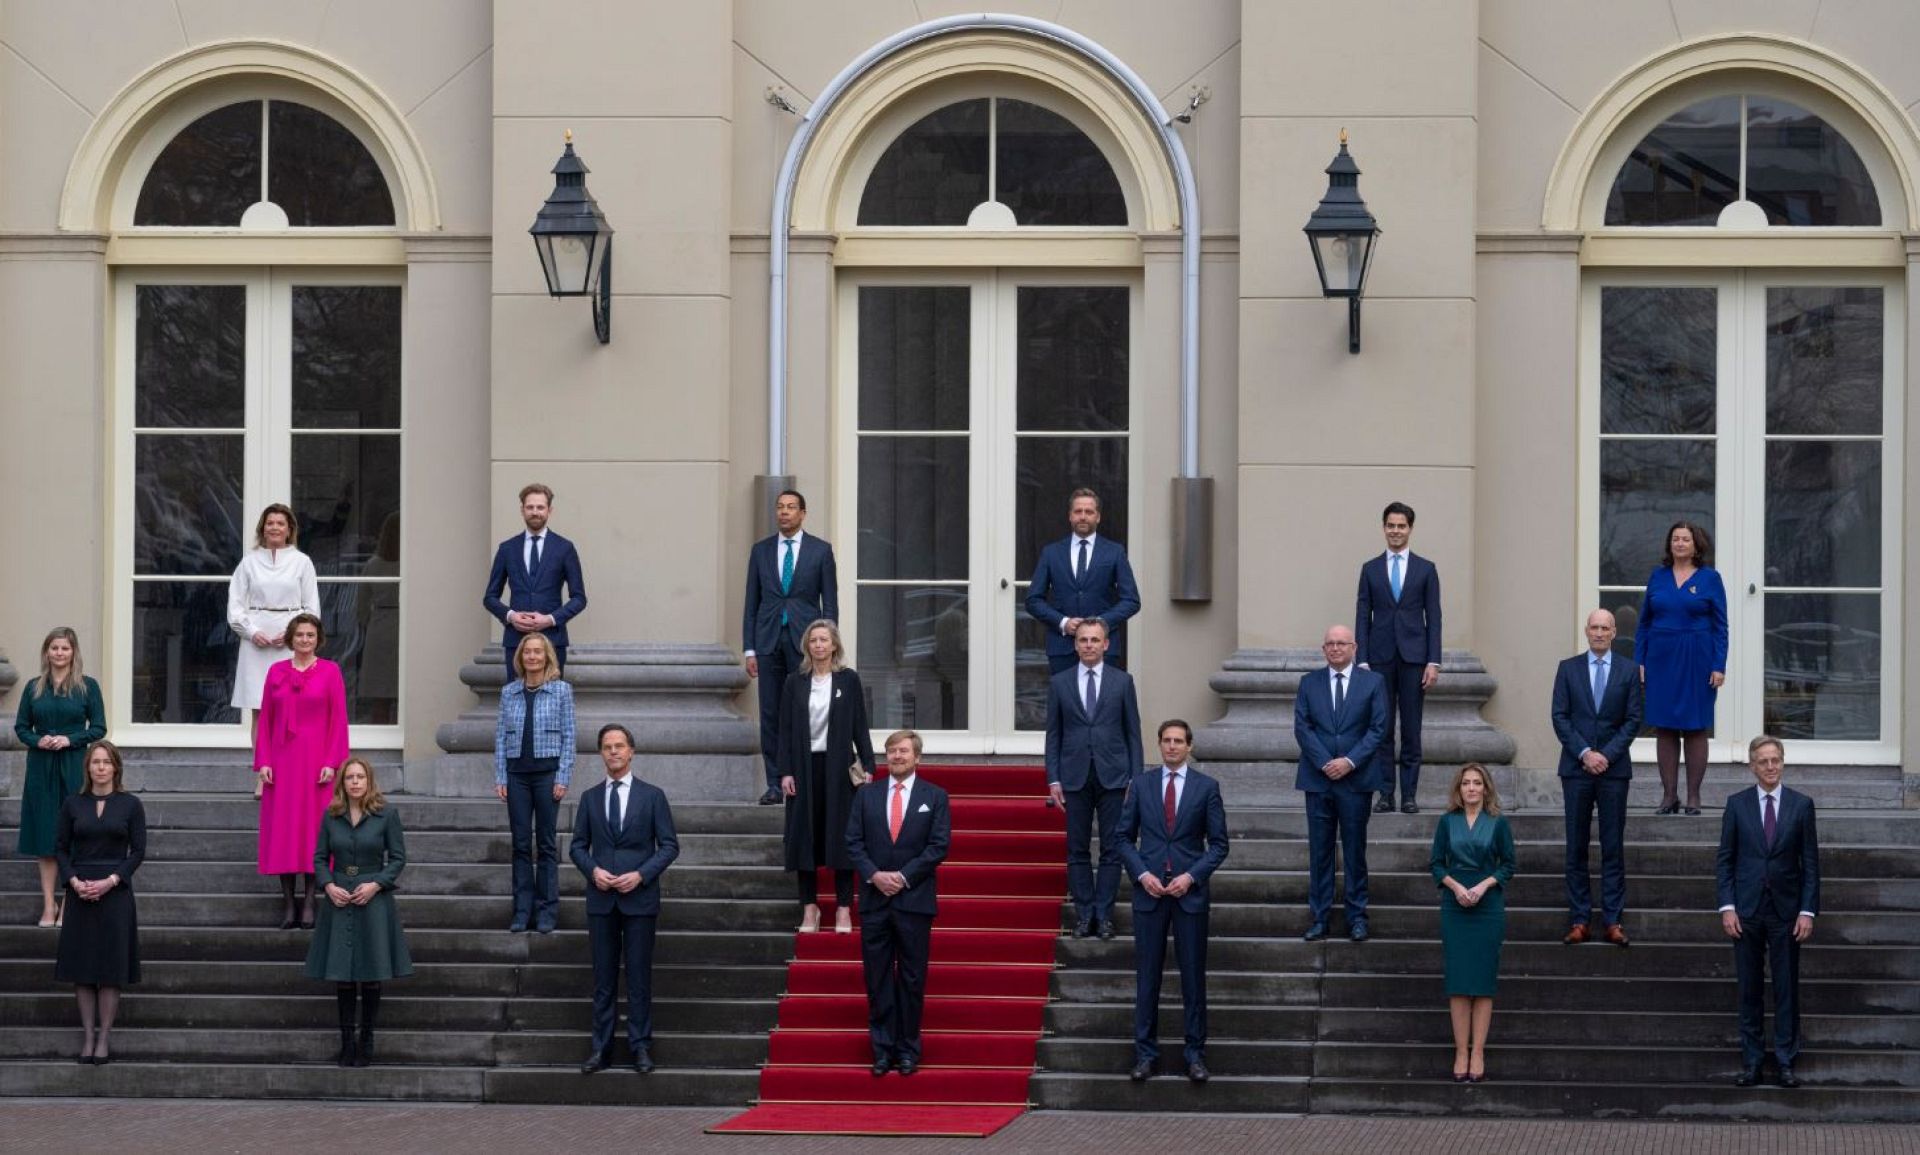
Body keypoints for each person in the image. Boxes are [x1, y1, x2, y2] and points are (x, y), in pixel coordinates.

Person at [1115, 720, 1228, 1084]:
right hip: (1148, 893)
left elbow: (1220, 844)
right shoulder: (1142, 785)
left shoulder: (1206, 788)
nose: (1172, 747)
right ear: (1159, 745)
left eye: (1179, 741)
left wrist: (1191, 876)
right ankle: (1145, 1055)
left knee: (1193, 979)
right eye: (1166, 741)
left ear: (1189, 747)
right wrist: (1141, 874)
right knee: (1147, 978)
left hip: (1188, 895)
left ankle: (1195, 1055)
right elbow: (1121, 838)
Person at [571, 723, 679, 1074]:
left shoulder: (653, 796)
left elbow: (669, 845)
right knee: (603, 980)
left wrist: (642, 874)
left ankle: (640, 1047)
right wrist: (593, 871)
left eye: (619, 746)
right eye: (607, 747)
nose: (613, 752)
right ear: (600, 753)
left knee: (638, 978)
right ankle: (600, 1049)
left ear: (631, 751)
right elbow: (576, 846)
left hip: (640, 899)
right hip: (602, 900)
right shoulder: (589, 798)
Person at [845, 729, 951, 1077]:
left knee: (911, 978)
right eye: (891, 751)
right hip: (875, 902)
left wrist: (902, 877)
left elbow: (938, 846)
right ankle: (882, 1049)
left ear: (917, 757)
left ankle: (907, 1049)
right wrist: (876, 876)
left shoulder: (935, 797)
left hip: (914, 901)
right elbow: (853, 843)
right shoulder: (866, 796)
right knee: (877, 978)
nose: (896, 756)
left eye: (903, 751)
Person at [1717, 736, 1820, 1089]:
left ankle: (1786, 1061)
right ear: (1752, 766)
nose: (1771, 766)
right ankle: (1752, 1062)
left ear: (1783, 762)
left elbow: (1811, 865)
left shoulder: (1802, 806)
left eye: (1776, 760)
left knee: (1786, 987)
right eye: (1764, 761)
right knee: (1749, 989)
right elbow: (1726, 860)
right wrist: (1727, 907)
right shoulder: (1736, 805)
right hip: (1746, 911)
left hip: (1787, 913)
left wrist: (1807, 911)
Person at [306, 756, 412, 1068]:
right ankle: (346, 1043)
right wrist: (327, 885)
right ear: (342, 782)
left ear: (369, 781)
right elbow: (320, 858)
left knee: (371, 973)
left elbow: (397, 858)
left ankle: (367, 1039)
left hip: (372, 899)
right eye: (350, 777)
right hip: (340, 897)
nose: (355, 782)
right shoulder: (331, 815)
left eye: (360, 777)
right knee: (342, 975)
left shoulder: (386, 814)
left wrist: (377, 884)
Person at [1045, 619, 1144, 940]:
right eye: (1083, 640)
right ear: (1075, 645)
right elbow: (1053, 735)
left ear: (1106, 644)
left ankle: (1104, 916)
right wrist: (1053, 779)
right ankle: (1084, 915)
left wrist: (1136, 778)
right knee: (1077, 849)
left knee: (1113, 849)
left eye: (1094, 640)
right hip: (1074, 776)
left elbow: (1133, 733)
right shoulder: (1060, 683)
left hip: (1114, 775)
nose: (1088, 645)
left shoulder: (1122, 682)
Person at [1551, 609, 1643, 946]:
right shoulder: (1568, 669)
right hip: (1576, 770)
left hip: (1614, 770)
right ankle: (1579, 920)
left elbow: (1633, 720)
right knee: (1576, 846)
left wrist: (1607, 754)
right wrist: (1585, 753)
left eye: (1606, 628)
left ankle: (1612, 921)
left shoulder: (1629, 671)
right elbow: (1559, 716)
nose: (1600, 633)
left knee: (1612, 846)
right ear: (1586, 631)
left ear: (1614, 632)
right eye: (1595, 627)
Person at [777, 619, 875, 935]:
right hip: (804, 770)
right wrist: (785, 771)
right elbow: (785, 731)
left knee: (842, 839)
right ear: (807, 646)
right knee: (804, 839)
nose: (819, 645)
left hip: (839, 771)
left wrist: (869, 764)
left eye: (824, 640)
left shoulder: (848, 680)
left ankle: (844, 910)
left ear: (834, 645)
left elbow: (860, 725)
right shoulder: (795, 682)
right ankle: (810, 909)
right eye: (814, 640)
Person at [742, 489, 839, 805]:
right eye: (780, 507)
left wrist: (827, 643)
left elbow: (830, 603)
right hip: (768, 640)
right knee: (770, 712)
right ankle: (774, 783)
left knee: (805, 711)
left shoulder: (820, 551)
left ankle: (803, 778)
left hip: (806, 642)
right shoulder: (761, 551)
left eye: (791, 507)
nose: (784, 512)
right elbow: (751, 605)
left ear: (803, 513)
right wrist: (749, 649)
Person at [253, 613, 349, 930]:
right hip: (282, 763)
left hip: (316, 765)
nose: (304, 640)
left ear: (317, 639)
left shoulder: (331, 672)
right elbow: (265, 719)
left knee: (312, 831)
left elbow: (339, 722)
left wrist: (331, 763)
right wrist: (263, 762)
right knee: (283, 832)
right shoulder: (276, 672)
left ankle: (309, 900)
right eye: (299, 635)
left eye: (310, 635)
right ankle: (288, 902)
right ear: (291, 639)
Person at [1294, 624, 1388, 942]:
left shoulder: (1373, 682)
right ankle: (1319, 918)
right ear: (1323, 650)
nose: (1335, 648)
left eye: (1341, 643)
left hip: (1356, 780)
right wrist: (1325, 762)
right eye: (1329, 644)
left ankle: (1357, 917)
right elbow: (1302, 727)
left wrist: (1348, 761)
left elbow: (1378, 728)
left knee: (1354, 851)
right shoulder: (1309, 683)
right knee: (1320, 852)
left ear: (1354, 647)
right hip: (1318, 780)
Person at [54, 740, 144, 1065]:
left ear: (116, 767)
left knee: (110, 968)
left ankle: (104, 1037)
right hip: (80, 892)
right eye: (96, 762)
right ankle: (88, 1036)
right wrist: (74, 882)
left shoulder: (131, 804)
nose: (101, 767)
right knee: (83, 966)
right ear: (88, 767)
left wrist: (111, 881)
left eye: (106, 762)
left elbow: (138, 851)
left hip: (116, 893)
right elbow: (61, 848)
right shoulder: (72, 804)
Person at [14, 627, 107, 928]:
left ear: (73, 652)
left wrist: (70, 740)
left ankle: (69, 903)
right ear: (47, 652)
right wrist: (37, 740)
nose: (59, 653)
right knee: (45, 836)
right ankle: (47, 905)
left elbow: (99, 728)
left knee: (74, 832)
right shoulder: (33, 688)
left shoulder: (87, 687)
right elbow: (21, 727)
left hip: (73, 763)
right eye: (54, 648)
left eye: (64, 648)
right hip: (41, 767)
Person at [1431, 764, 1517, 1083]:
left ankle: (1478, 1051)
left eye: (1476, 783)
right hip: (1455, 906)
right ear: (1459, 789)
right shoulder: (1446, 822)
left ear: (1485, 788)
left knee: (1482, 982)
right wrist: (1456, 887)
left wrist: (1484, 886)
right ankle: (1460, 1051)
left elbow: (1509, 865)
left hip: (1488, 906)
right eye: (1466, 783)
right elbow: (1437, 864)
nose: (1471, 788)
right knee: (1458, 981)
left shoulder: (1497, 823)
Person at [1356, 502, 1442, 815]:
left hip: (1414, 659)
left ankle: (1409, 795)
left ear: (1410, 529)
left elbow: (1434, 617)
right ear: (1383, 528)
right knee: (1381, 729)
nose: (1396, 531)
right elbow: (1362, 616)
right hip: (1378, 659)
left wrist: (1433, 661)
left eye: (1401, 526)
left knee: (1411, 729)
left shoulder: (1426, 569)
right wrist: (1361, 659)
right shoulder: (1370, 569)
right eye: (1391, 526)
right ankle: (1385, 794)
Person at [1637, 521, 1728, 815]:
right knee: (1664, 727)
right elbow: (1644, 624)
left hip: (1696, 658)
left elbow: (1720, 627)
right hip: (1660, 659)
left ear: (1696, 545)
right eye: (1675, 539)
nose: (1679, 544)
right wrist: (1640, 659)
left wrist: (1718, 664)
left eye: (1685, 539)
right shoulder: (1657, 577)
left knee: (1694, 727)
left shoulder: (1711, 579)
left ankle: (1693, 797)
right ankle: (1668, 796)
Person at [494, 633, 574, 934]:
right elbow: (501, 737)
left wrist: (563, 776)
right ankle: (521, 911)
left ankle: (546, 912)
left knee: (547, 844)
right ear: (520, 657)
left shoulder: (562, 691)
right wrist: (501, 776)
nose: (532, 657)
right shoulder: (509, 692)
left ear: (547, 657)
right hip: (517, 776)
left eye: (538, 652)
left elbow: (569, 737)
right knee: (521, 844)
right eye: (527, 652)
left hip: (547, 775)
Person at [1026, 488, 1142, 674]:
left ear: (1098, 517)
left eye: (1089, 512)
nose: (1083, 516)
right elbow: (1033, 600)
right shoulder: (1051, 553)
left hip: (1103, 648)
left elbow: (1132, 600)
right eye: (1078, 511)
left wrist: (1100, 624)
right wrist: (1063, 622)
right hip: (1062, 647)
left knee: (1104, 703)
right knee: (1064, 702)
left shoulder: (1114, 552)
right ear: (1070, 516)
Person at [228, 503, 322, 715]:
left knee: (291, 708)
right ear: (262, 528)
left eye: (280, 523)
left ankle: (289, 751)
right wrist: (251, 632)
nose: (275, 528)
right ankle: (260, 751)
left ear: (289, 530)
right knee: (259, 710)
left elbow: (312, 608)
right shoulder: (249, 562)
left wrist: (291, 634)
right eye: (270, 523)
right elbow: (235, 606)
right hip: (255, 643)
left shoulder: (302, 562)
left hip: (289, 644)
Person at [484, 483, 588, 670]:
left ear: (549, 510)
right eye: (530, 507)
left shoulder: (564, 548)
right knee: (516, 698)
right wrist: (511, 616)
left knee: (551, 697)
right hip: (516, 642)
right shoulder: (507, 548)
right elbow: (490, 598)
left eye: (540, 507)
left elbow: (579, 598)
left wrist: (550, 619)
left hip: (553, 641)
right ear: (522, 510)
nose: (535, 512)